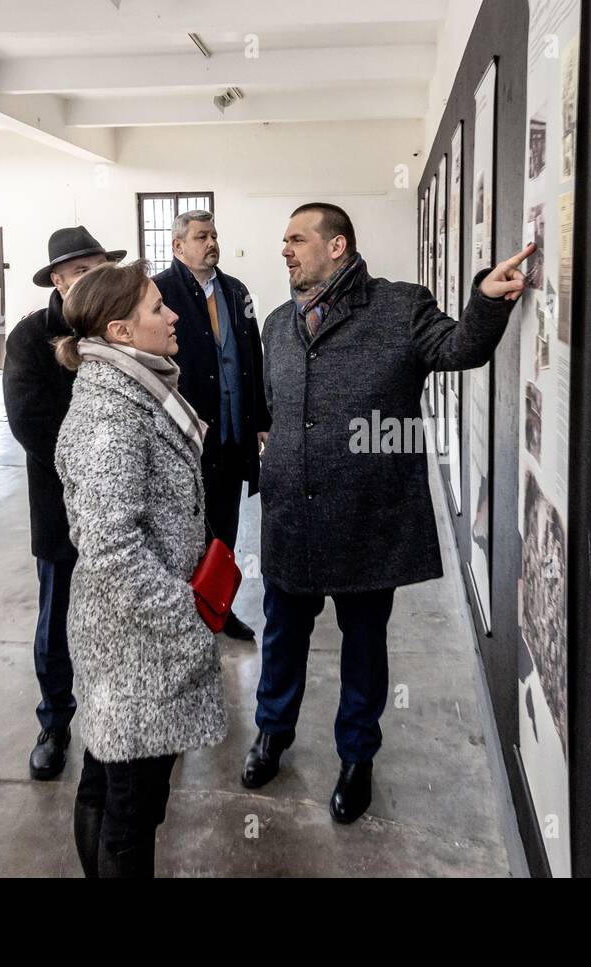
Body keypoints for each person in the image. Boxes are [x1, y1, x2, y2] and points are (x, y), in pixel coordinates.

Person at [244, 202, 531, 824]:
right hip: (292, 513)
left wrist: (486, 298)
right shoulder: (275, 324)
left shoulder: (398, 308)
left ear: (338, 245)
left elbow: (461, 349)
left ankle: (357, 757)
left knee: (364, 643)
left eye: (296, 239)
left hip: (367, 516)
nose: (285, 250)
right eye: (284, 240)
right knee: (282, 635)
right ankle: (272, 731)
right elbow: (273, 405)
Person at [54, 260, 226, 878]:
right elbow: (110, 547)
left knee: (110, 783)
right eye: (158, 308)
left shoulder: (135, 388)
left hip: (133, 635)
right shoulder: (110, 413)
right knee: (130, 806)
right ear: (122, 332)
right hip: (135, 641)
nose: (174, 314)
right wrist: (185, 619)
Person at [3, 226, 126, 780]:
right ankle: (55, 722)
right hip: (62, 508)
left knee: (121, 613)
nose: (92, 277)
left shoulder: (121, 326)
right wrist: (94, 467)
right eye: (80, 271)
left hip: (125, 507)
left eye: (99, 266)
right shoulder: (30, 338)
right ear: (56, 280)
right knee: (57, 622)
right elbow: (30, 423)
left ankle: (120, 716)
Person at [152, 210, 268, 641]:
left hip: (233, 436)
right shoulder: (158, 292)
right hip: (186, 441)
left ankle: (220, 609)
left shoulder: (236, 291)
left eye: (215, 235)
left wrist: (261, 420)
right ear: (178, 246)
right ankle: (184, 619)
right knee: (185, 535)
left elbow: (251, 355)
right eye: (202, 236)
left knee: (226, 532)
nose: (212, 243)